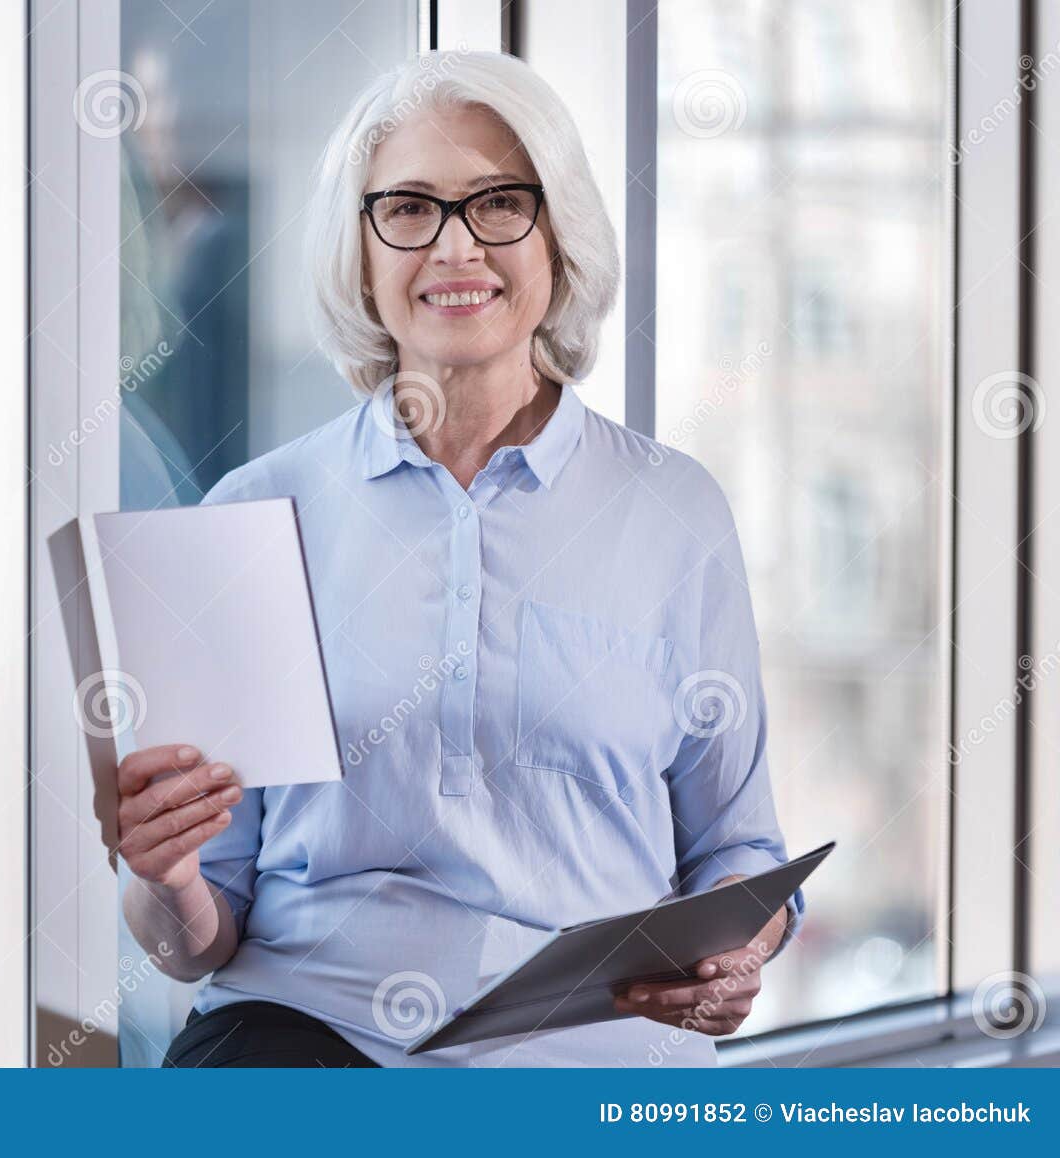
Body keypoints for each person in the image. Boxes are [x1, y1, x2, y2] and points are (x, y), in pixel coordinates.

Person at [117, 50, 802, 1068]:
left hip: (585, 1058)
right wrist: (165, 878)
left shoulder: (674, 512)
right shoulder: (258, 512)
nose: (453, 246)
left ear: (559, 236)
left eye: (498, 204)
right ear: (359, 250)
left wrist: (735, 955)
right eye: (408, 209)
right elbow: (196, 938)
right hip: (310, 1039)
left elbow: (741, 853)